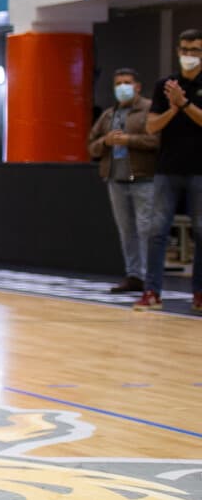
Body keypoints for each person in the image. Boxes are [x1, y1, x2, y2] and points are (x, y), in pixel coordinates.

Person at [141, 29, 202, 313]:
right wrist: (173, 109)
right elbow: (151, 126)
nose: (189, 55)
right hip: (167, 168)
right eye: (185, 49)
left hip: (200, 169)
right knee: (157, 231)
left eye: (195, 50)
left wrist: (185, 103)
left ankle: (199, 293)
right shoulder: (164, 85)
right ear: (178, 51)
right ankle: (152, 291)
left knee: (201, 231)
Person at [90, 68, 158, 295]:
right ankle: (133, 275)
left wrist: (129, 140)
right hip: (115, 178)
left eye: (127, 82)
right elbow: (91, 145)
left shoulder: (149, 109)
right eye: (118, 83)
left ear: (137, 86)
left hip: (143, 177)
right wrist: (106, 142)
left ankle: (150, 278)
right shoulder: (109, 115)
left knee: (146, 229)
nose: (122, 87)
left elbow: (156, 141)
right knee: (126, 230)